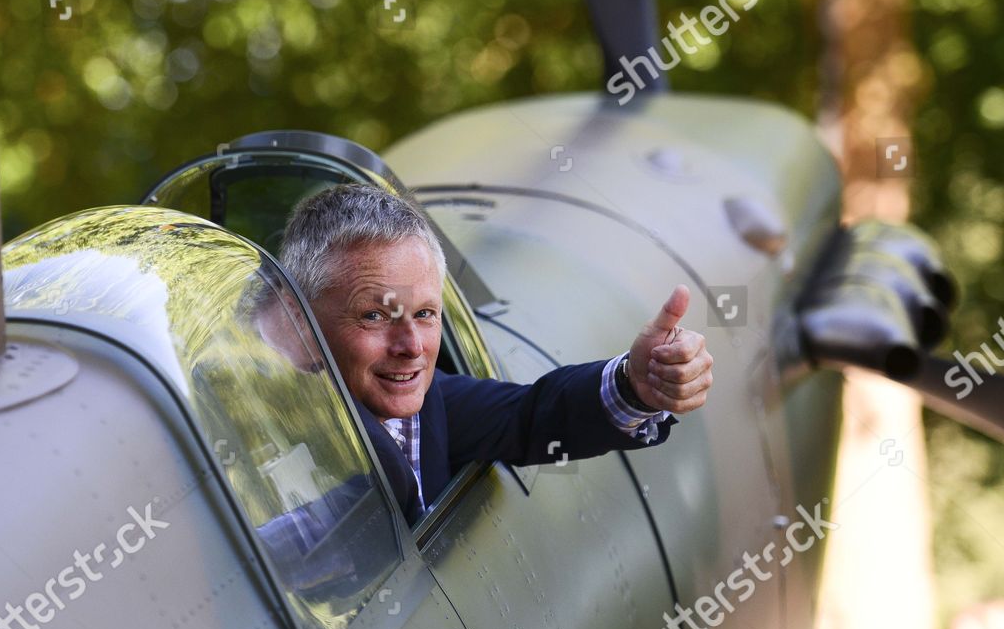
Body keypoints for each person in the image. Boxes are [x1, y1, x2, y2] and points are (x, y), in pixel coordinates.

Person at [274, 183, 712, 525]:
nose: (412, 347)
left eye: (425, 313)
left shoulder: (433, 406)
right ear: (301, 322)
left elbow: (532, 416)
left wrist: (636, 384)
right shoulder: (250, 427)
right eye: (374, 315)